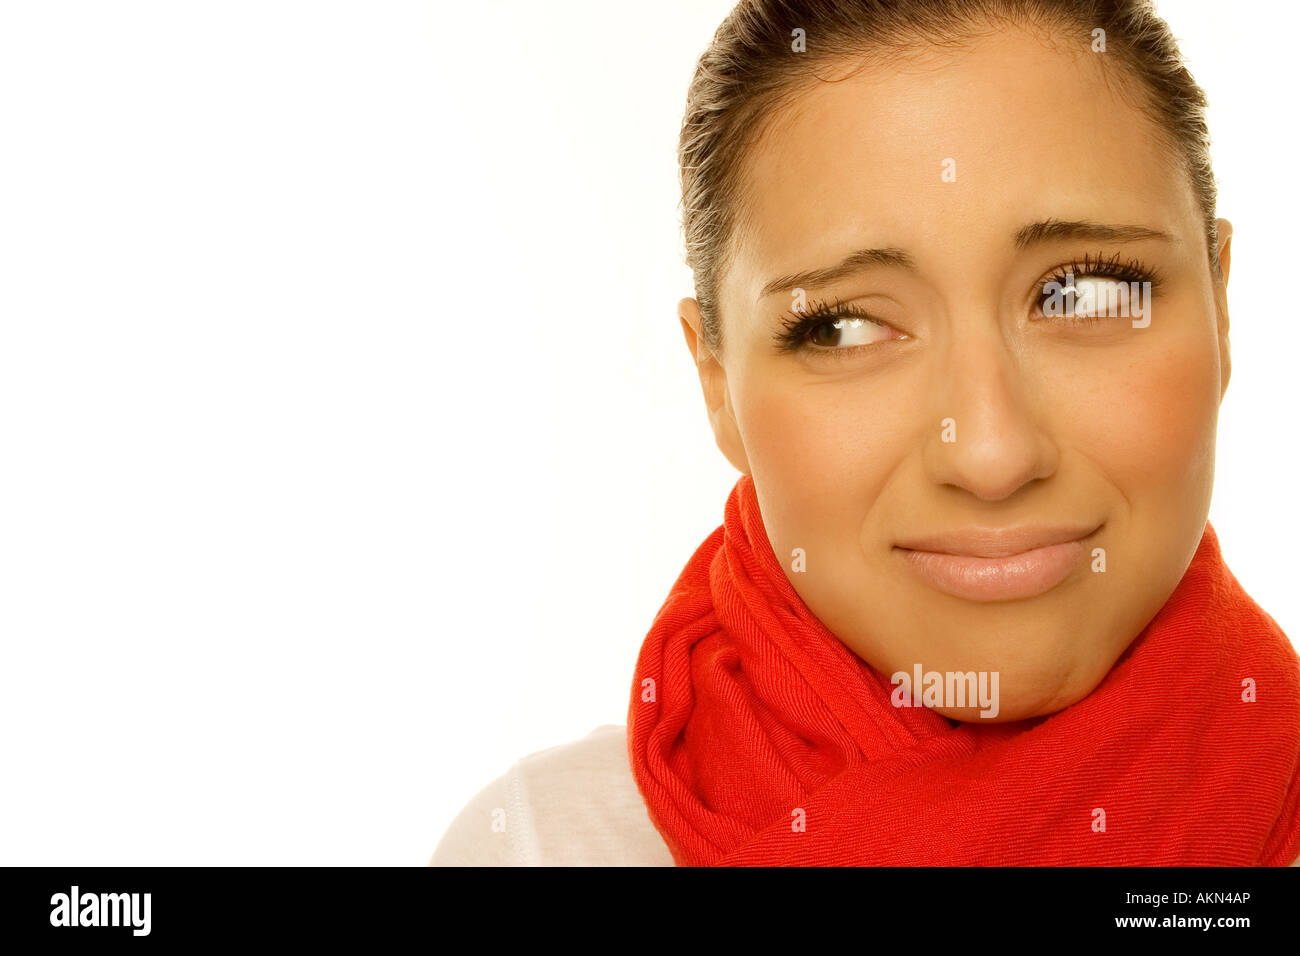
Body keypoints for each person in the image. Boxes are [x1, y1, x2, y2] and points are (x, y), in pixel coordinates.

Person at [431, 0, 1300, 866]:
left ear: (1221, 308)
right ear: (719, 383)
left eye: (1084, 292)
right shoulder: (542, 848)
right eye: (844, 327)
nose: (991, 454)